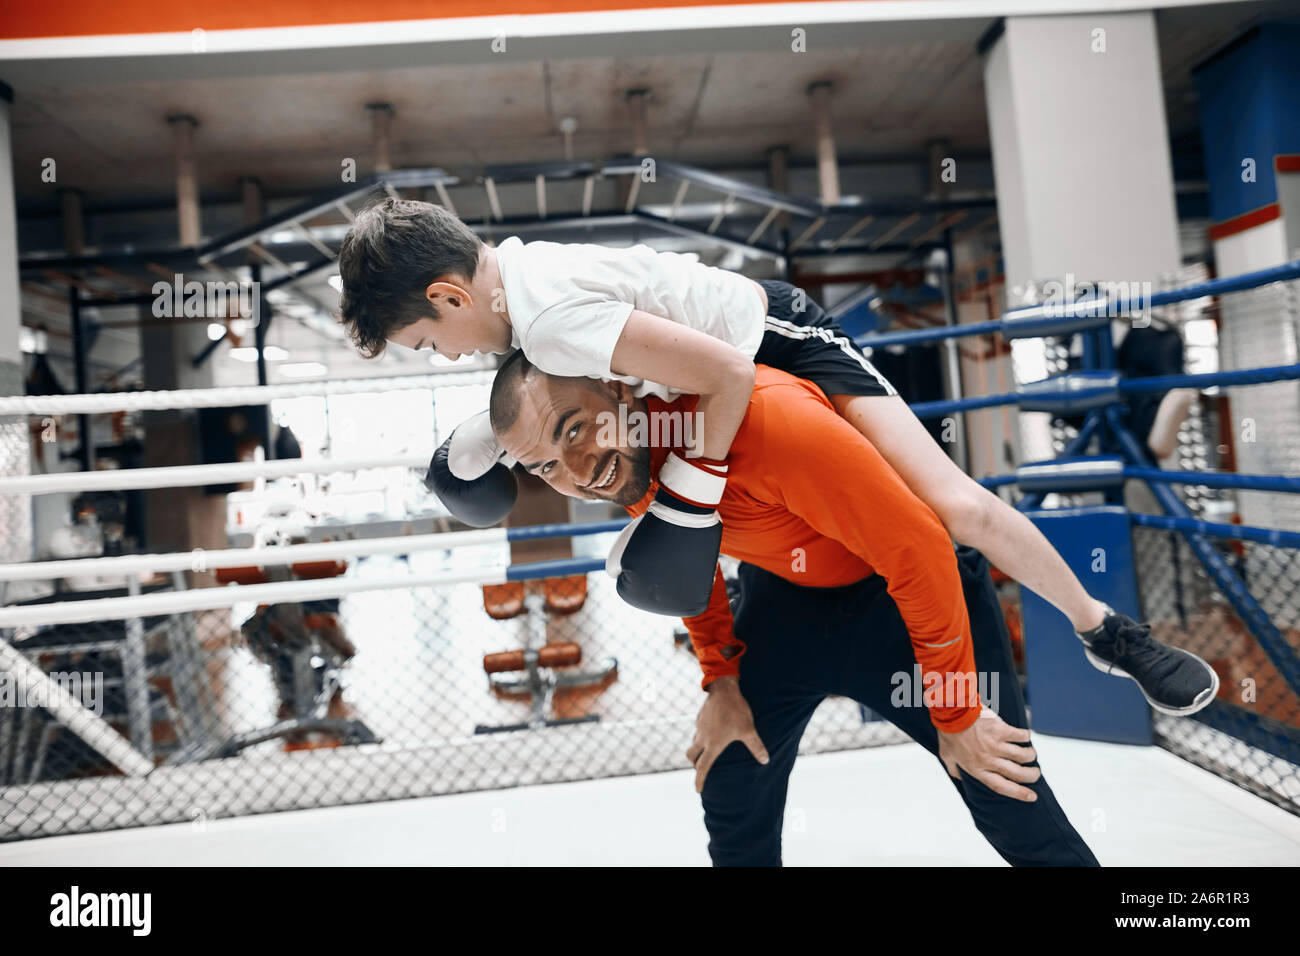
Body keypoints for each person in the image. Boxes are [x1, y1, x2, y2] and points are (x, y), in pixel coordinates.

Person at [337, 197, 1216, 716]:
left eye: (427, 340)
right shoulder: (518, 289)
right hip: (732, 366)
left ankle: (1105, 629)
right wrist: (468, 451)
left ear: (451, 294)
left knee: (955, 509)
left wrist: (688, 497)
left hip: (782, 340)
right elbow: (535, 390)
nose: (444, 355)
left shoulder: (549, 314)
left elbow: (723, 372)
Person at [486, 352, 1102, 865]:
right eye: (544, 465)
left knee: (1005, 788)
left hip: (910, 589)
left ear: (618, 388)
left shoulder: (764, 419)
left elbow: (918, 549)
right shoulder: (625, 460)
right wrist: (720, 682)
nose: (575, 471)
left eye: (572, 428)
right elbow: (681, 565)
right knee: (731, 772)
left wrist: (957, 709)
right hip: (788, 603)